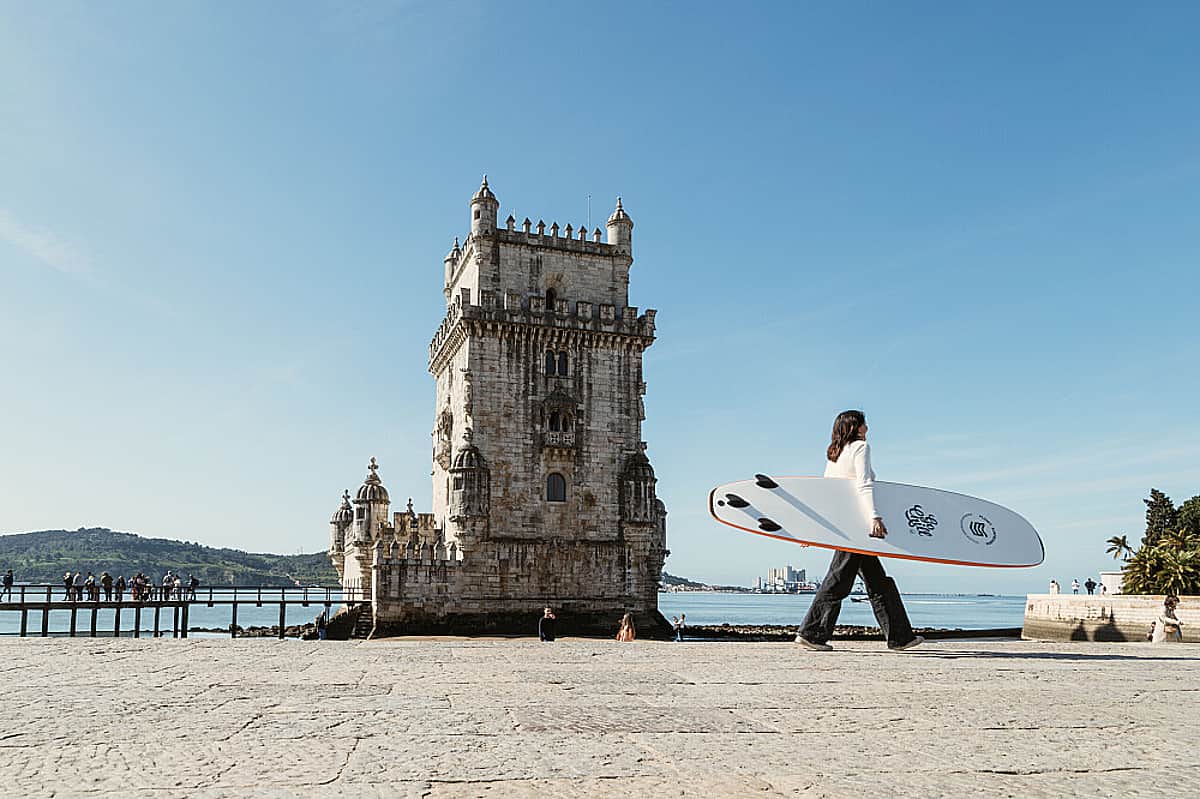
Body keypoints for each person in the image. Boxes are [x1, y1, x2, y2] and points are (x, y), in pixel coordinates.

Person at [797, 410, 923, 652]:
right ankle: (811, 633)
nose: (868, 427)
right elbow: (864, 484)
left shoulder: (834, 454)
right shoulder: (859, 448)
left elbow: (828, 493)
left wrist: (815, 530)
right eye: (865, 423)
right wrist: (873, 517)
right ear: (856, 426)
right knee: (839, 579)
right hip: (857, 526)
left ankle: (900, 637)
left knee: (879, 582)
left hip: (844, 525)